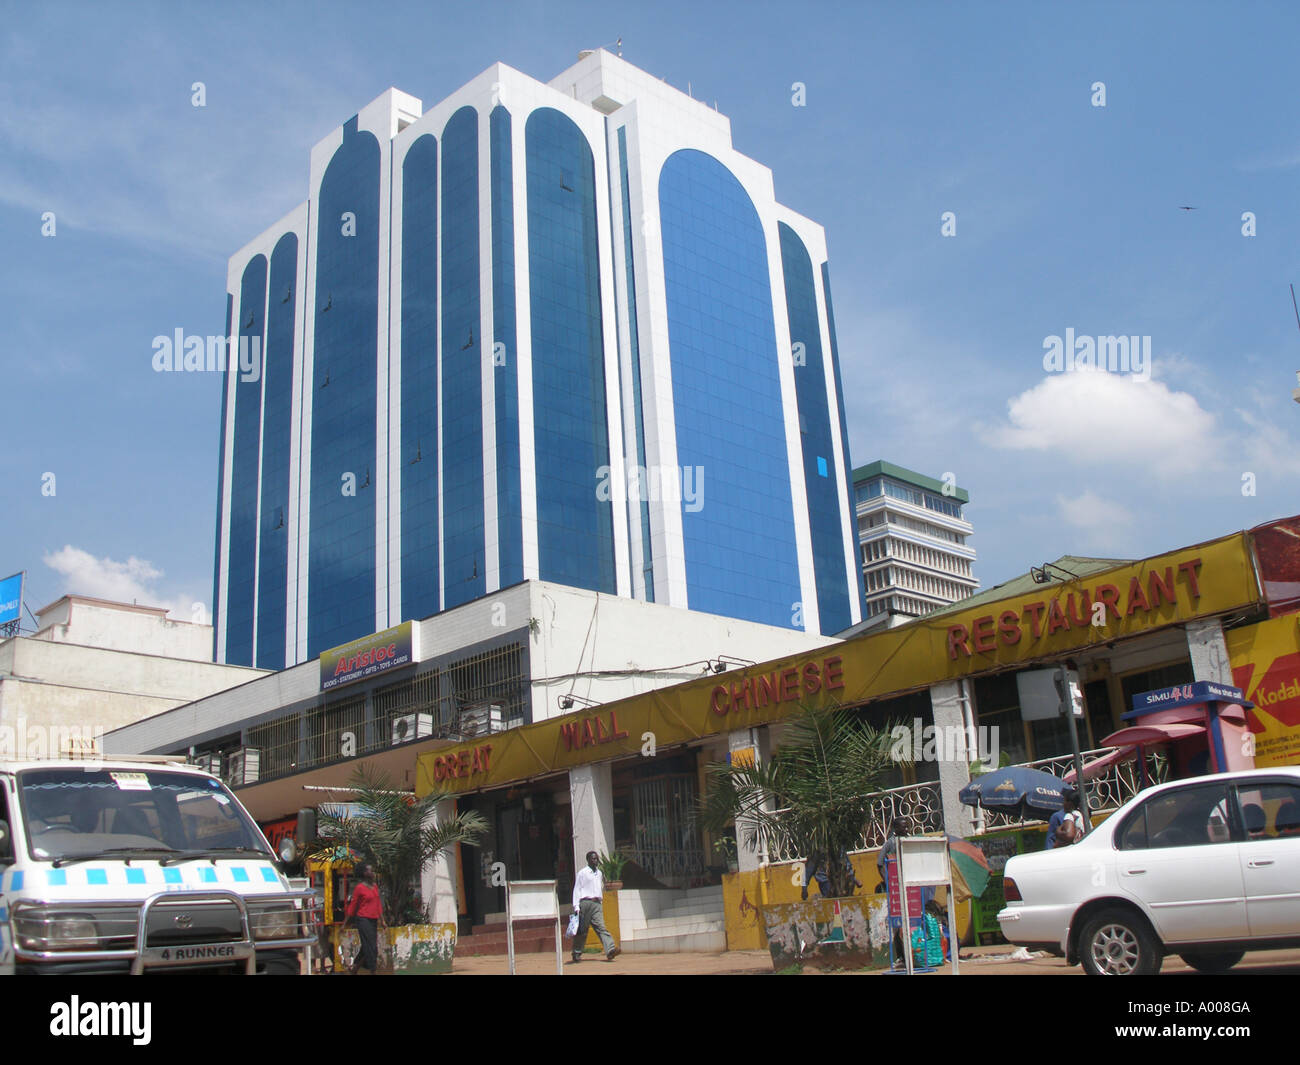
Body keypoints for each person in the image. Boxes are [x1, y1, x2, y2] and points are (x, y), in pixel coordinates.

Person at [571, 850, 620, 963]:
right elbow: (577, 889)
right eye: (593, 859)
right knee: (582, 930)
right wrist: (576, 906)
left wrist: (600, 901)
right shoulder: (582, 873)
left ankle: (610, 950)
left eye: (597, 858)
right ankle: (576, 952)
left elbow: (599, 888)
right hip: (585, 903)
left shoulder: (600, 873)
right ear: (588, 860)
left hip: (597, 904)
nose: (596, 860)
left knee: (601, 927)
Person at [341, 863, 385, 974]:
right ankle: (372, 970)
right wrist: (344, 923)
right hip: (363, 920)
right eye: (370, 870)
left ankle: (355, 968)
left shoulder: (375, 886)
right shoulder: (359, 888)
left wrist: (382, 920)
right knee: (370, 947)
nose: (373, 873)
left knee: (369, 946)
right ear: (365, 873)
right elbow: (353, 906)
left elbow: (378, 903)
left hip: (373, 920)